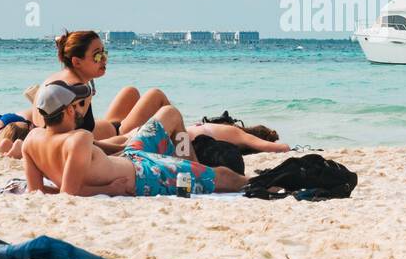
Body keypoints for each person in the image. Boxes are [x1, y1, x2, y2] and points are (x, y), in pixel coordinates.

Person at [22, 81, 247, 197]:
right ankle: (256, 184)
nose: (82, 111)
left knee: (170, 113)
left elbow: (36, 192)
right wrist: (111, 189)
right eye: (78, 106)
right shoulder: (77, 139)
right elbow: (69, 195)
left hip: (132, 157)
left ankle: (190, 164)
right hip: (144, 176)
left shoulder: (31, 141)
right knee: (224, 176)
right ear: (69, 111)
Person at [39, 30, 172, 141]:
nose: (104, 59)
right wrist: (124, 140)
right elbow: (72, 140)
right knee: (156, 96)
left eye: (104, 53)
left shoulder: (54, 82)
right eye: (97, 55)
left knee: (130, 91)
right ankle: (179, 141)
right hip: (119, 135)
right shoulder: (77, 91)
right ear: (77, 62)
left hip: (111, 126)